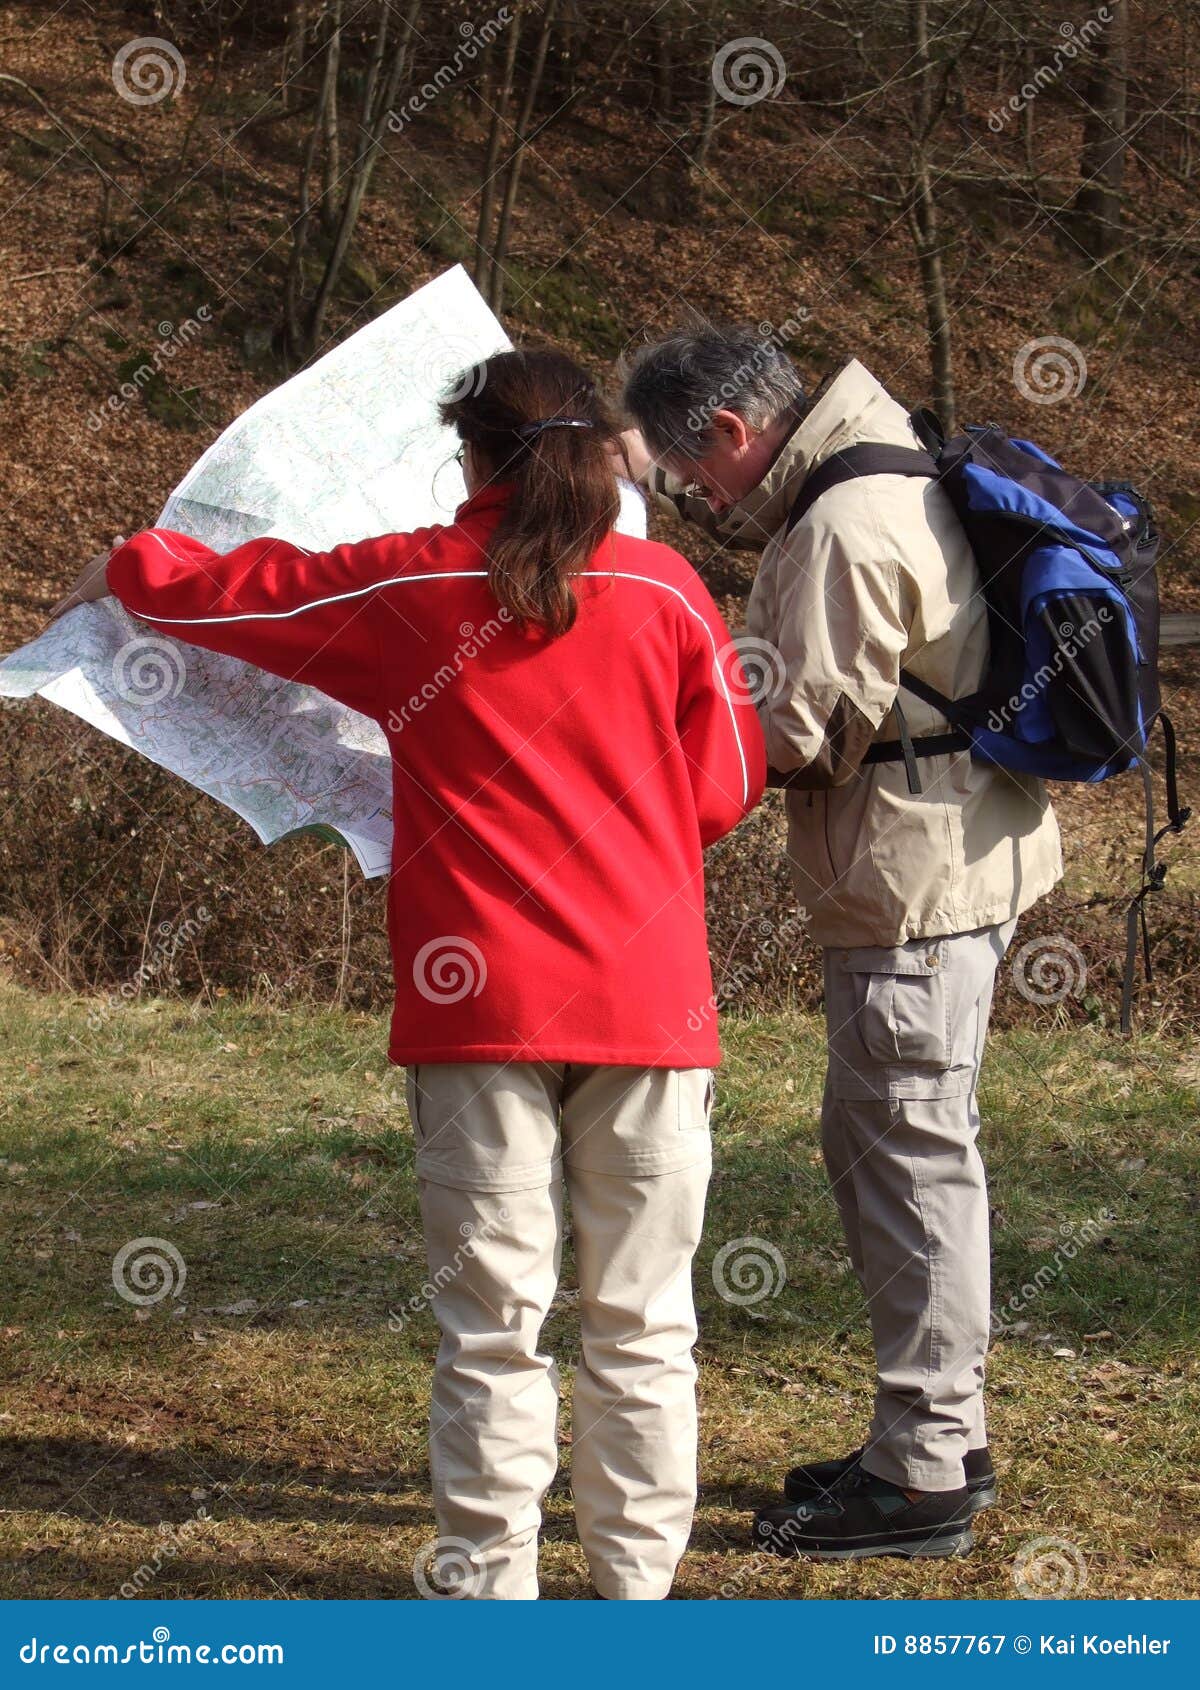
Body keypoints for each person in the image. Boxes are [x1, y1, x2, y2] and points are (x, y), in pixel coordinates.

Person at [55, 347, 765, 1599]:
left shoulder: (417, 586)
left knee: (491, 1331)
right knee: (645, 1329)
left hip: (476, 1003)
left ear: (473, 455)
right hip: (653, 1002)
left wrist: (129, 564)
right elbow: (726, 786)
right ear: (604, 454)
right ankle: (635, 1615)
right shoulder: (670, 593)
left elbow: (242, 597)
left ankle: (492, 1610)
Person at [619, 328, 1062, 1560]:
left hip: (914, 880)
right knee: (898, 1141)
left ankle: (923, 1470)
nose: (696, 502)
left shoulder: (834, 529)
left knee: (908, 1158)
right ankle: (934, 1434)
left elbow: (793, 737)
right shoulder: (884, 461)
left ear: (727, 433)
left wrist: (660, 694)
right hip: (954, 854)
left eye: (686, 475)